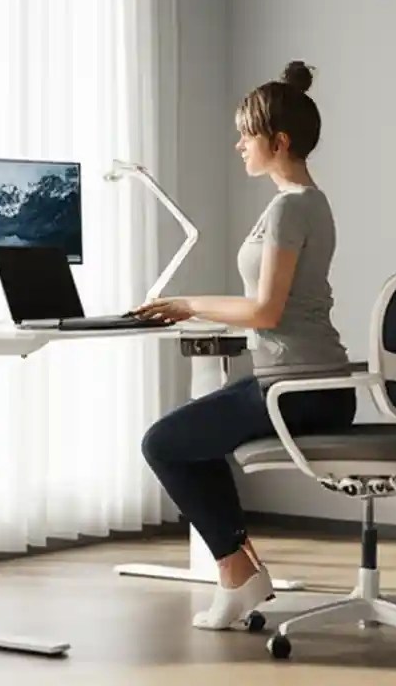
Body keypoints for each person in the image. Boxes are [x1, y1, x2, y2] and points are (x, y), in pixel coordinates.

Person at [132, 60, 356, 630]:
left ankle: (237, 573)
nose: (238, 145)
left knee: (163, 442)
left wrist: (188, 304)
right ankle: (241, 567)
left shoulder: (290, 208)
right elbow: (277, 307)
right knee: (188, 439)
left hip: (297, 388)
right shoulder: (306, 202)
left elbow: (265, 309)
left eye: (246, 135)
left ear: (277, 141)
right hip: (311, 380)